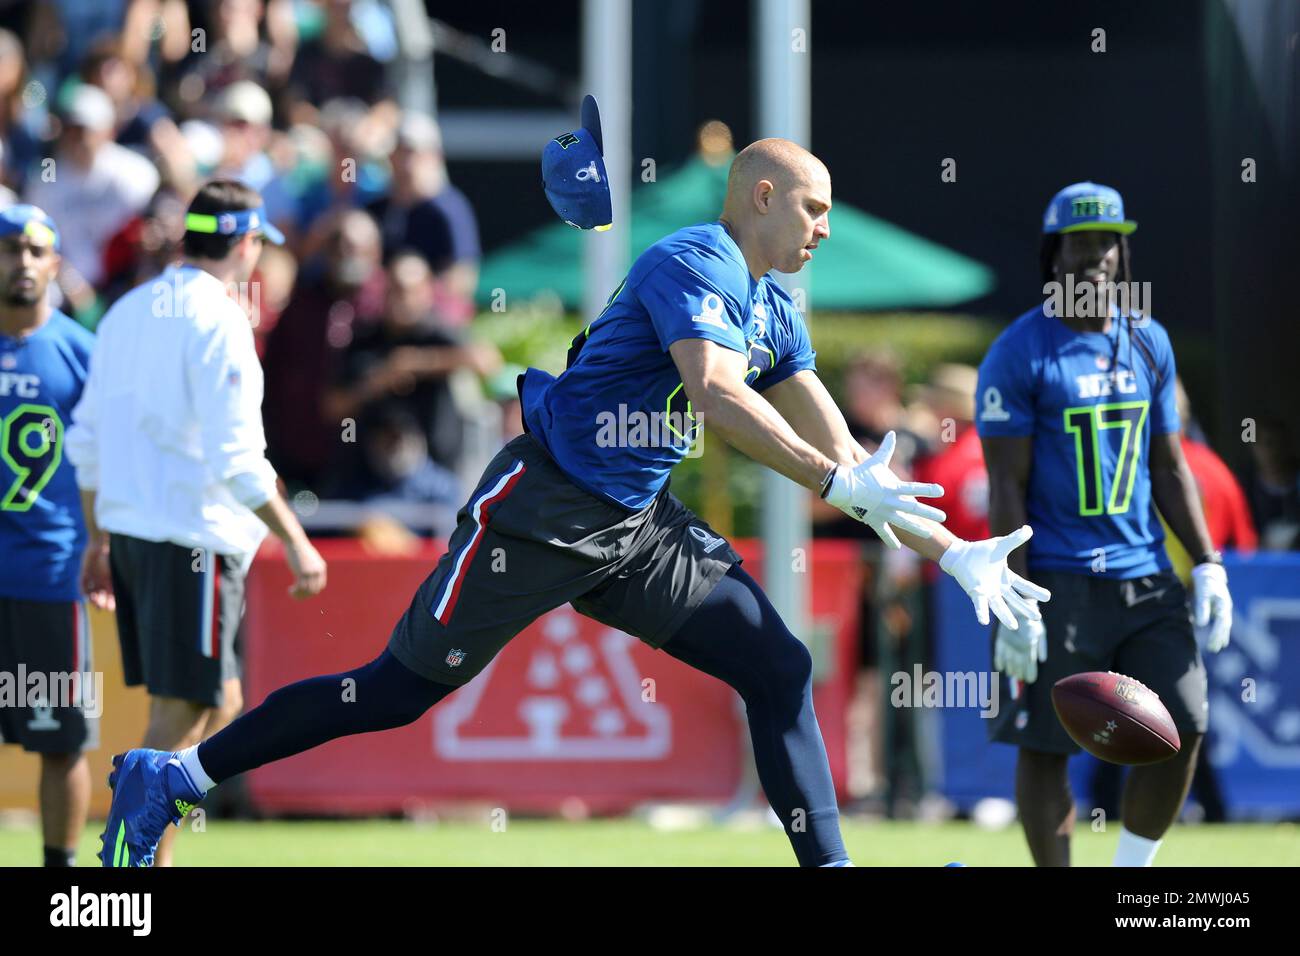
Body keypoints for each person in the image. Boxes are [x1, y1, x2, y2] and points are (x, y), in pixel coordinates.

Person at [98, 139, 1049, 868]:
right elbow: (720, 396)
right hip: (543, 509)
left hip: (635, 525)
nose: (825, 229)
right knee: (391, 693)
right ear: (762, 197)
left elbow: (848, 459)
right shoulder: (696, 259)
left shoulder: (773, 305)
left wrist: (954, 553)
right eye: (815, 208)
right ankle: (174, 775)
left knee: (778, 667)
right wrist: (839, 482)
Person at [65, 179, 327, 866]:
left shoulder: (126, 310)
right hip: (194, 539)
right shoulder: (220, 319)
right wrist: (297, 540)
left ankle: (145, 854)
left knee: (222, 700)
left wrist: (99, 537)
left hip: (137, 535)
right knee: (182, 713)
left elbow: (85, 441)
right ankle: (129, 871)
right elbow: (236, 458)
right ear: (247, 244)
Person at [977, 182, 1233, 867]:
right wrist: (1016, 596)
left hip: (1145, 575)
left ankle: (1130, 875)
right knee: (1045, 744)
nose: (1095, 256)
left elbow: (1170, 466)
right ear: (1053, 254)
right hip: (1057, 578)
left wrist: (1208, 562)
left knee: (1184, 722)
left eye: (1107, 243)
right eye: (1081, 243)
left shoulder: (1148, 340)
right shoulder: (1020, 351)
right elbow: (1006, 485)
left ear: (1123, 252)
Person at [0, 206, 96, 866]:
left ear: (56, 263)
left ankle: (60, 879)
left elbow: (112, 461)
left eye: (37, 251)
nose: (23, 262)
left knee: (61, 740)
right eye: (11, 249)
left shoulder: (82, 353)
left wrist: (107, 546)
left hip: (48, 576)